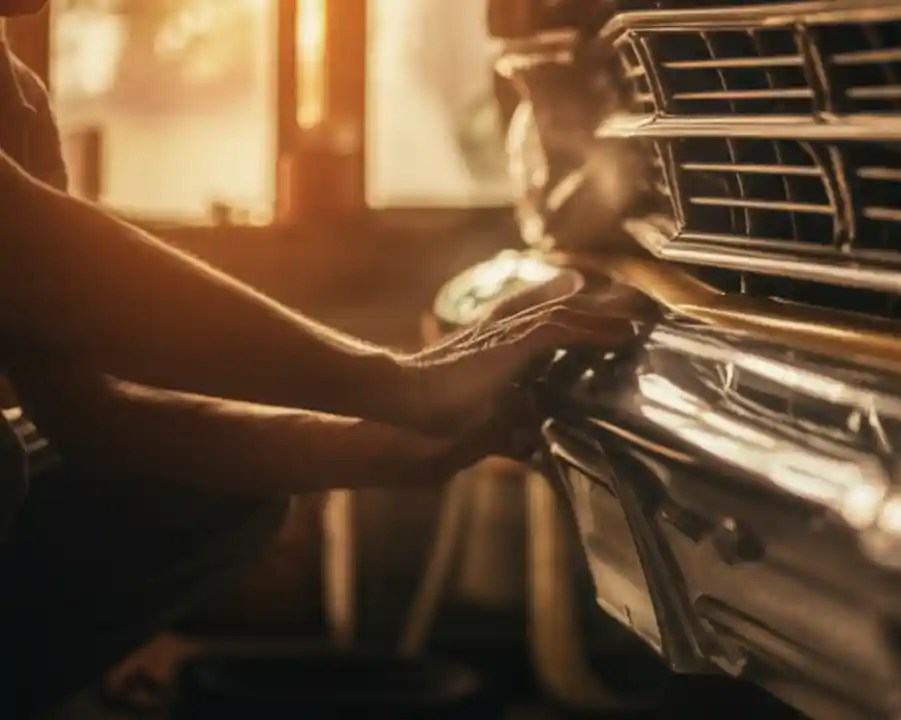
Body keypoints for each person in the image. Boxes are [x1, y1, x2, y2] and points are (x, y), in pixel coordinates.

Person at [0, 4, 644, 715]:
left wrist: (370, 450)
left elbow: (88, 416)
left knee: (215, 491)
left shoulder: (17, 93)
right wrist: (400, 384)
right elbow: (21, 243)